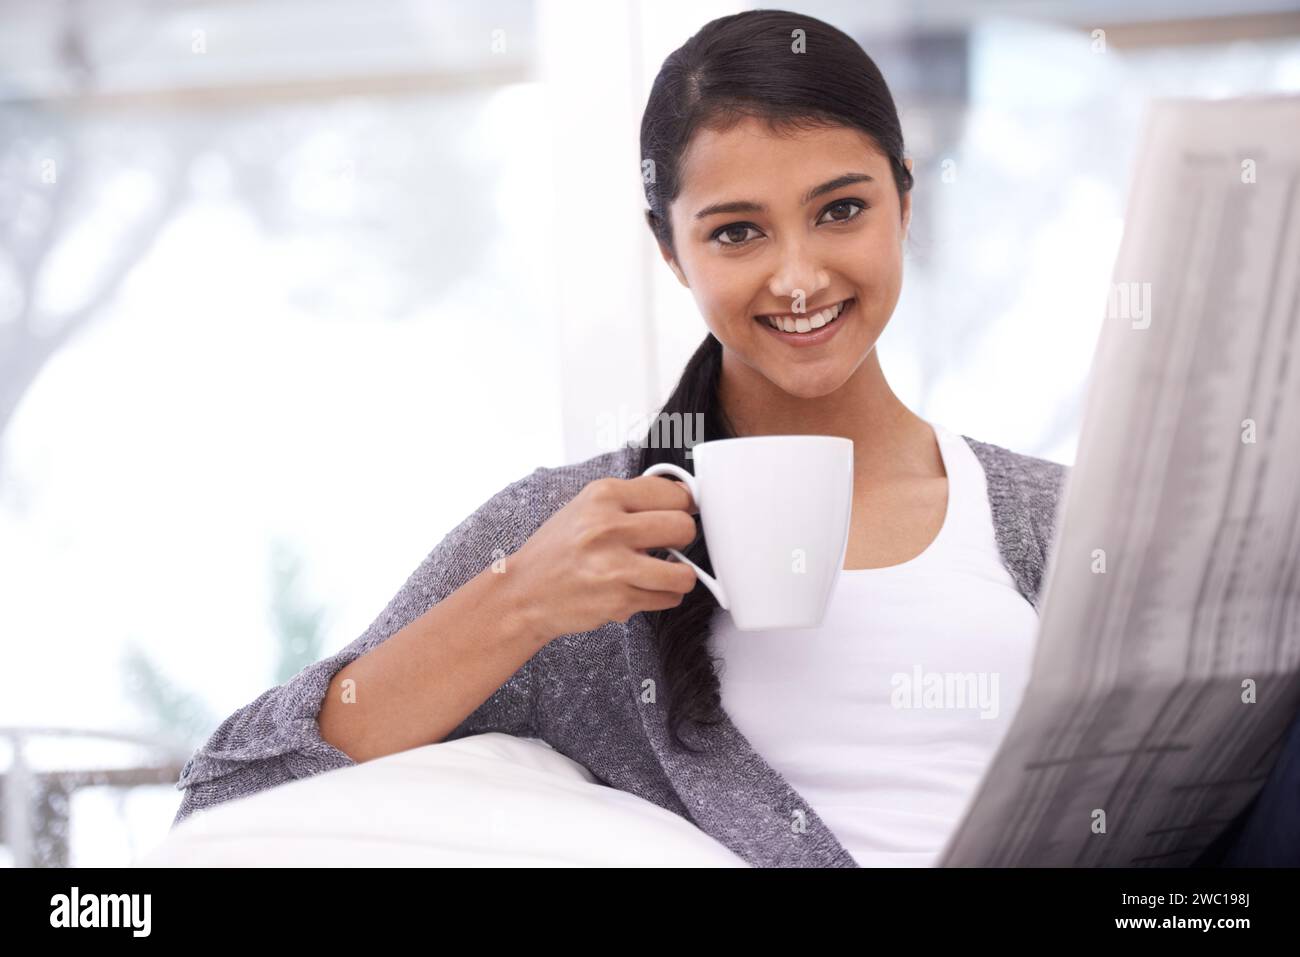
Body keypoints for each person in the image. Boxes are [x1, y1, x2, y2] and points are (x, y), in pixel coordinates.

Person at [169, 9, 1270, 867]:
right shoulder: (575, 538)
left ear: (903, 200)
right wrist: (518, 602)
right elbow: (239, 784)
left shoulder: (1058, 519)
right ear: (671, 253)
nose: (798, 276)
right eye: (737, 232)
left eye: (840, 209)